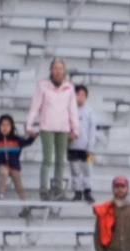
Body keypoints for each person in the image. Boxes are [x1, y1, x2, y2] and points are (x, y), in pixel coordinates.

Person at [24, 58, 77, 201]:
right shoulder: (43, 85)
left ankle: (58, 189)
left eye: (60, 68)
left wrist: (75, 129)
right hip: (47, 126)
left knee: (60, 160)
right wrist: (29, 125)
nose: (58, 71)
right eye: (55, 68)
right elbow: (35, 106)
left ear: (64, 70)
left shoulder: (69, 88)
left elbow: (72, 110)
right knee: (47, 159)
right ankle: (43, 189)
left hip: (63, 128)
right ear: (51, 70)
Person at [0, 114, 34, 201]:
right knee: (3, 173)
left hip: (14, 165)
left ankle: (25, 205)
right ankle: (0, 194)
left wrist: (32, 137)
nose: (5, 127)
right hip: (2, 164)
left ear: (11, 127)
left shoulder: (16, 140)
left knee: (19, 186)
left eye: (7, 125)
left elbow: (27, 142)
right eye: (2, 125)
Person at [68, 84, 96, 202]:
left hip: (86, 148)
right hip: (72, 146)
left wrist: (90, 145)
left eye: (83, 95)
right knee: (75, 169)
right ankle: (77, 191)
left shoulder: (89, 111)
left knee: (87, 169)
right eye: (78, 94)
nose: (81, 97)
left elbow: (92, 129)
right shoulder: (69, 110)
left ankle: (87, 190)